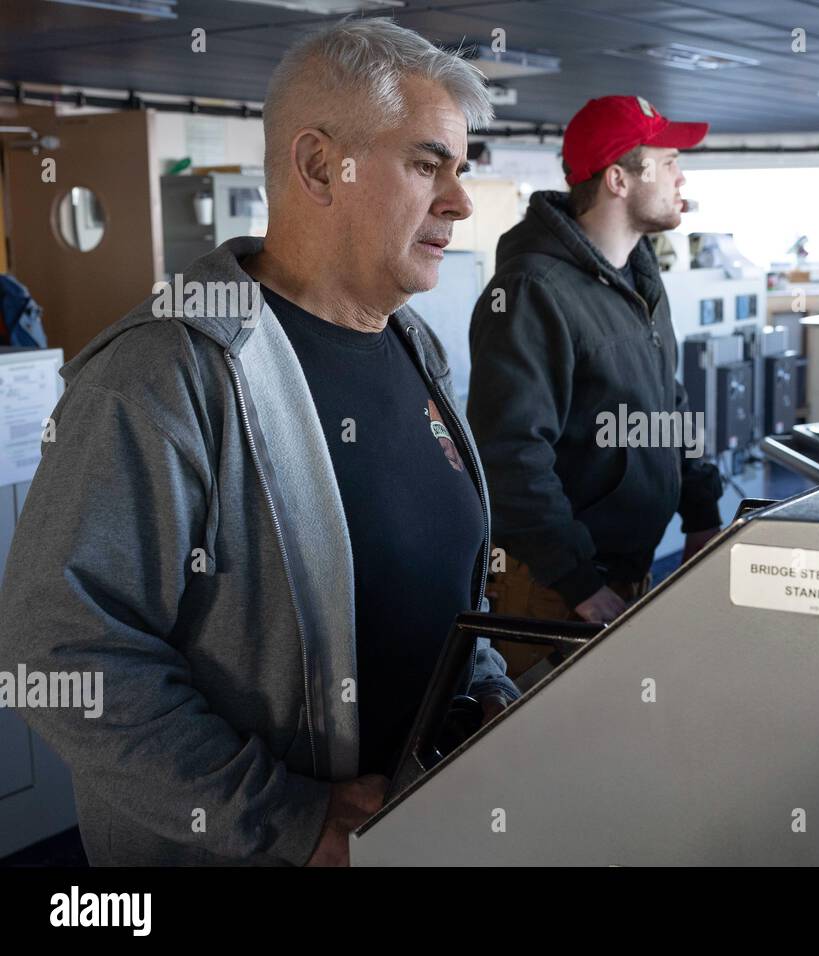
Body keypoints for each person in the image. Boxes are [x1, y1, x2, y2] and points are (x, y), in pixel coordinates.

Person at [0, 17, 517, 866]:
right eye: (428, 165)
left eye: (460, 169)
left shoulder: (413, 345)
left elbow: (443, 582)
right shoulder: (162, 376)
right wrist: (286, 815)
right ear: (319, 166)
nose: (459, 200)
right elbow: (61, 652)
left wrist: (488, 687)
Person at [467, 95, 724, 672]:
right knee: (538, 753)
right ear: (618, 179)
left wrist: (703, 510)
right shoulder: (534, 291)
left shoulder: (637, 279)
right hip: (555, 592)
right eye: (668, 162)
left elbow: (668, 402)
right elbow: (510, 454)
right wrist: (577, 581)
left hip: (624, 571)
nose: (683, 177)